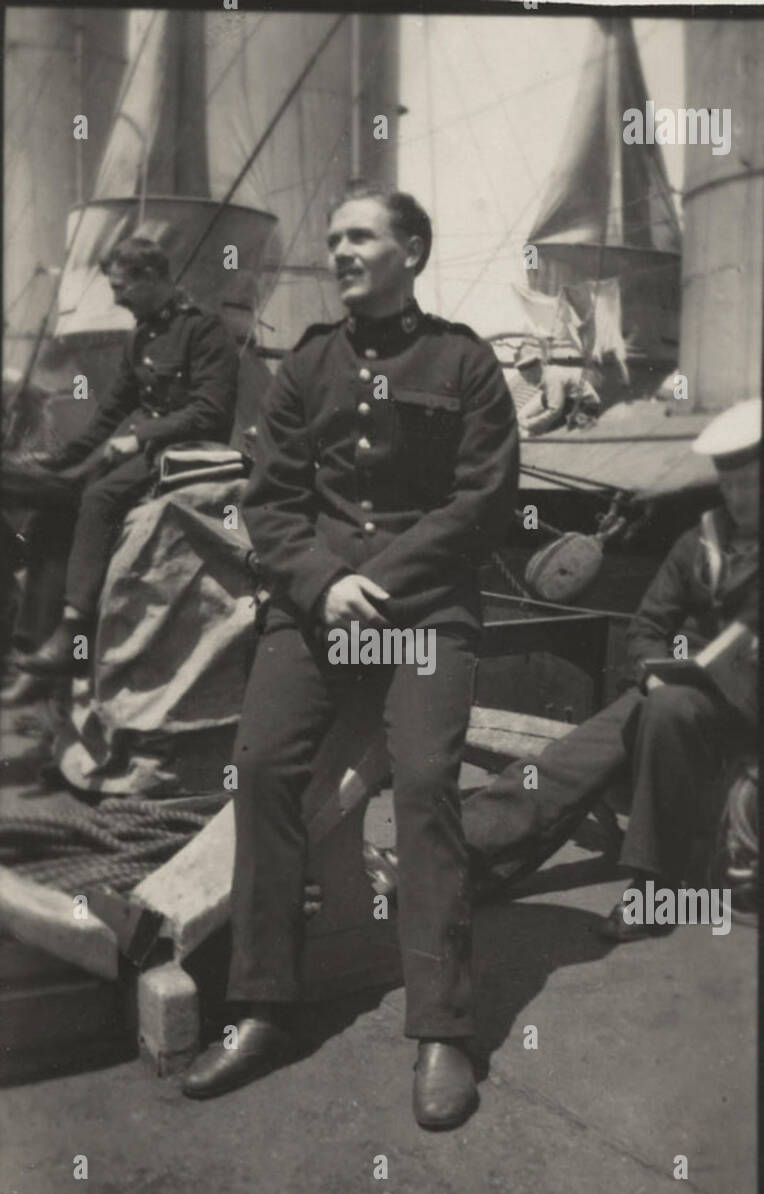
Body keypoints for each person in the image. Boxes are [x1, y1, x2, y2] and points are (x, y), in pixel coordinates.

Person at [182, 185, 519, 1127]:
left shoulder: (464, 360)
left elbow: (484, 501)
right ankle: (263, 1008)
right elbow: (271, 498)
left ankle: (444, 1027)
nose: (338, 251)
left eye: (360, 236)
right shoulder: (307, 364)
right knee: (260, 769)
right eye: (332, 238)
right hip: (321, 605)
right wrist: (324, 582)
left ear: (412, 248)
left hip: (424, 611)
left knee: (423, 781)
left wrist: (381, 581)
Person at [461, 397, 760, 939]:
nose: (739, 497)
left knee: (659, 709)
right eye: (731, 484)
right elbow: (647, 628)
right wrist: (653, 670)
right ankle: (461, 851)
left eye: (752, 483)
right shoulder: (699, 544)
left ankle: (655, 889)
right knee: (602, 738)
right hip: (687, 703)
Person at [6, 237, 239, 689]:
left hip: (190, 452)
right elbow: (109, 414)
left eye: (121, 288)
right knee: (55, 508)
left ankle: (74, 629)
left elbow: (211, 411)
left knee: (98, 496)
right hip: (148, 450)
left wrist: (139, 440)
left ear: (151, 277)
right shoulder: (142, 337)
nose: (116, 299)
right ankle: (36, 642)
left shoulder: (204, 330)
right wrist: (59, 459)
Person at [507, 340, 600, 438]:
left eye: (528, 375)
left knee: (545, 428)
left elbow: (555, 411)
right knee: (544, 400)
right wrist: (523, 417)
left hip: (588, 405)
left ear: (536, 369)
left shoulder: (552, 378)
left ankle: (584, 419)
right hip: (574, 400)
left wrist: (530, 424)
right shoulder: (547, 373)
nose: (527, 380)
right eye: (524, 376)